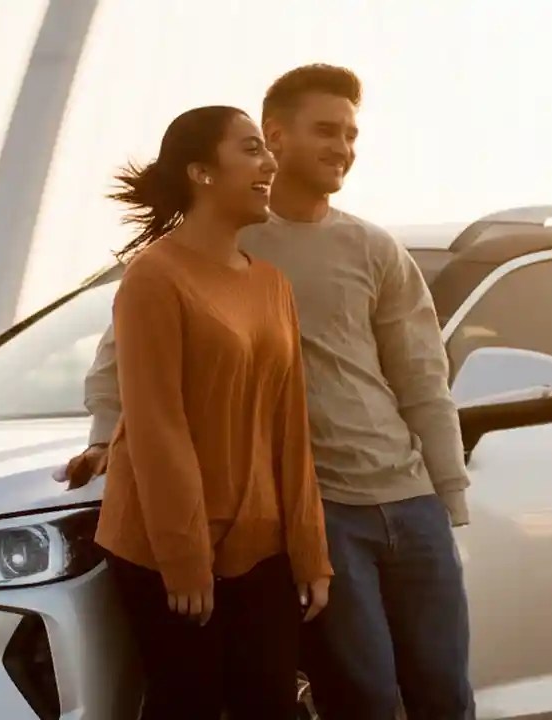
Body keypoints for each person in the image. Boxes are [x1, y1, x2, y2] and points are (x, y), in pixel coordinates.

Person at [62, 65, 474, 720]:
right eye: (325, 131)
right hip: (316, 505)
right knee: (360, 698)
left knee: (445, 694)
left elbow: (422, 376)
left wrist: (448, 495)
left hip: (400, 498)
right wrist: (101, 442)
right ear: (275, 136)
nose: (342, 147)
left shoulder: (366, 250)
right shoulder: (212, 246)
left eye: (350, 133)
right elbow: (131, 372)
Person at [89, 105, 333, 719]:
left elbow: (289, 425)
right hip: (166, 547)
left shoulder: (272, 284)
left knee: (270, 705)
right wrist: (184, 558)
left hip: (260, 547)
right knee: (186, 705)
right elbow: (155, 425)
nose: (270, 164)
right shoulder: (154, 277)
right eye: (251, 150)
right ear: (201, 173)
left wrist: (309, 553)